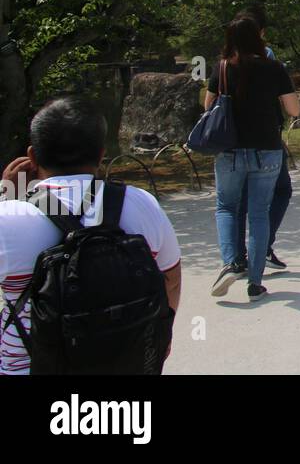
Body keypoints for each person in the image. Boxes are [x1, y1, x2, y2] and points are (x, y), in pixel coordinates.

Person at [1, 98, 182, 375]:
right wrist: (160, 337)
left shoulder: (8, 218)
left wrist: (6, 196)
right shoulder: (141, 203)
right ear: (101, 154)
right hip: (126, 365)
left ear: (33, 156)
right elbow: (171, 279)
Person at [207, 16, 299, 301]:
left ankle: (231, 263)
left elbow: (208, 106)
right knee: (259, 213)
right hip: (267, 149)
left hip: (230, 150)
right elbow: (294, 109)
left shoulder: (222, 69)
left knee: (227, 206)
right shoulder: (274, 68)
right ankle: (255, 283)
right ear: (258, 38)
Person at [232, 7, 292, 275]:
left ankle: (236, 258)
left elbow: (209, 103)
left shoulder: (224, 62)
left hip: (233, 142)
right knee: (277, 193)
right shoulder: (268, 59)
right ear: (261, 33)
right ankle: (262, 249)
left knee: (236, 202)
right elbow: (288, 104)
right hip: (266, 140)